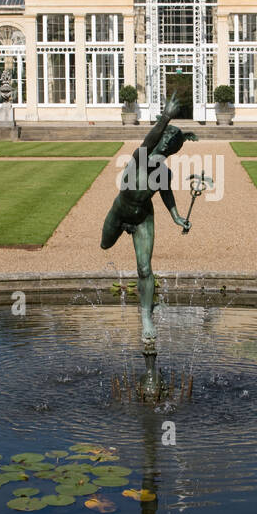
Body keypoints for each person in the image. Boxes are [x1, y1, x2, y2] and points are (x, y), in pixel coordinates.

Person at [100, 92, 196, 345]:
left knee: (145, 269)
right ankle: (146, 310)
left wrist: (176, 217)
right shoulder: (139, 157)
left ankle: (146, 318)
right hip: (120, 211)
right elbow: (149, 139)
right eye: (164, 141)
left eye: (171, 145)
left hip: (143, 216)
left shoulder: (164, 172)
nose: (165, 146)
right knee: (105, 244)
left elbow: (166, 195)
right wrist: (165, 117)